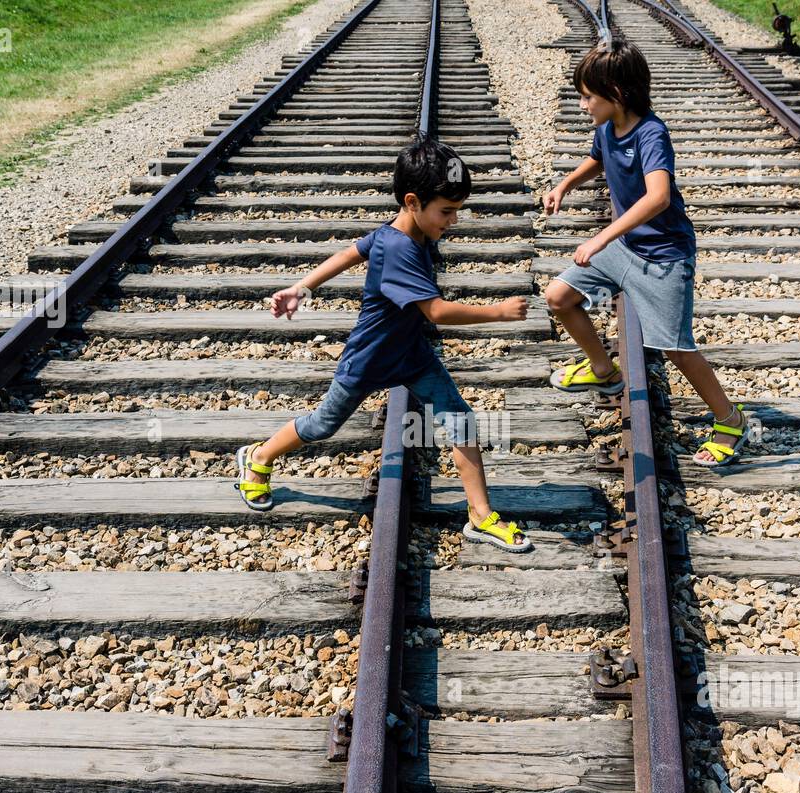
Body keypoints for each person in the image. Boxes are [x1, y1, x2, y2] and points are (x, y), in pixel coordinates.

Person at [235, 138, 534, 551]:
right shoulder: (398, 249)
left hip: (411, 354)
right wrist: (498, 312)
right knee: (323, 425)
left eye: (457, 211)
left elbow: (348, 253)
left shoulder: (402, 233)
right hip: (370, 359)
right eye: (446, 212)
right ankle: (260, 456)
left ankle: (480, 515)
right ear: (412, 202)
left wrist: (300, 289)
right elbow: (438, 312)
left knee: (460, 420)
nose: (453, 221)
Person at [543, 39, 750, 466]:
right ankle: (603, 371)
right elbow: (597, 159)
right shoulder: (607, 128)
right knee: (558, 297)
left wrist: (601, 238)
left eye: (588, 96)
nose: (583, 105)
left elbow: (657, 197)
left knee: (675, 346)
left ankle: (731, 421)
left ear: (616, 95)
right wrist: (565, 184)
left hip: (664, 258)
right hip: (626, 248)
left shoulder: (652, 133)